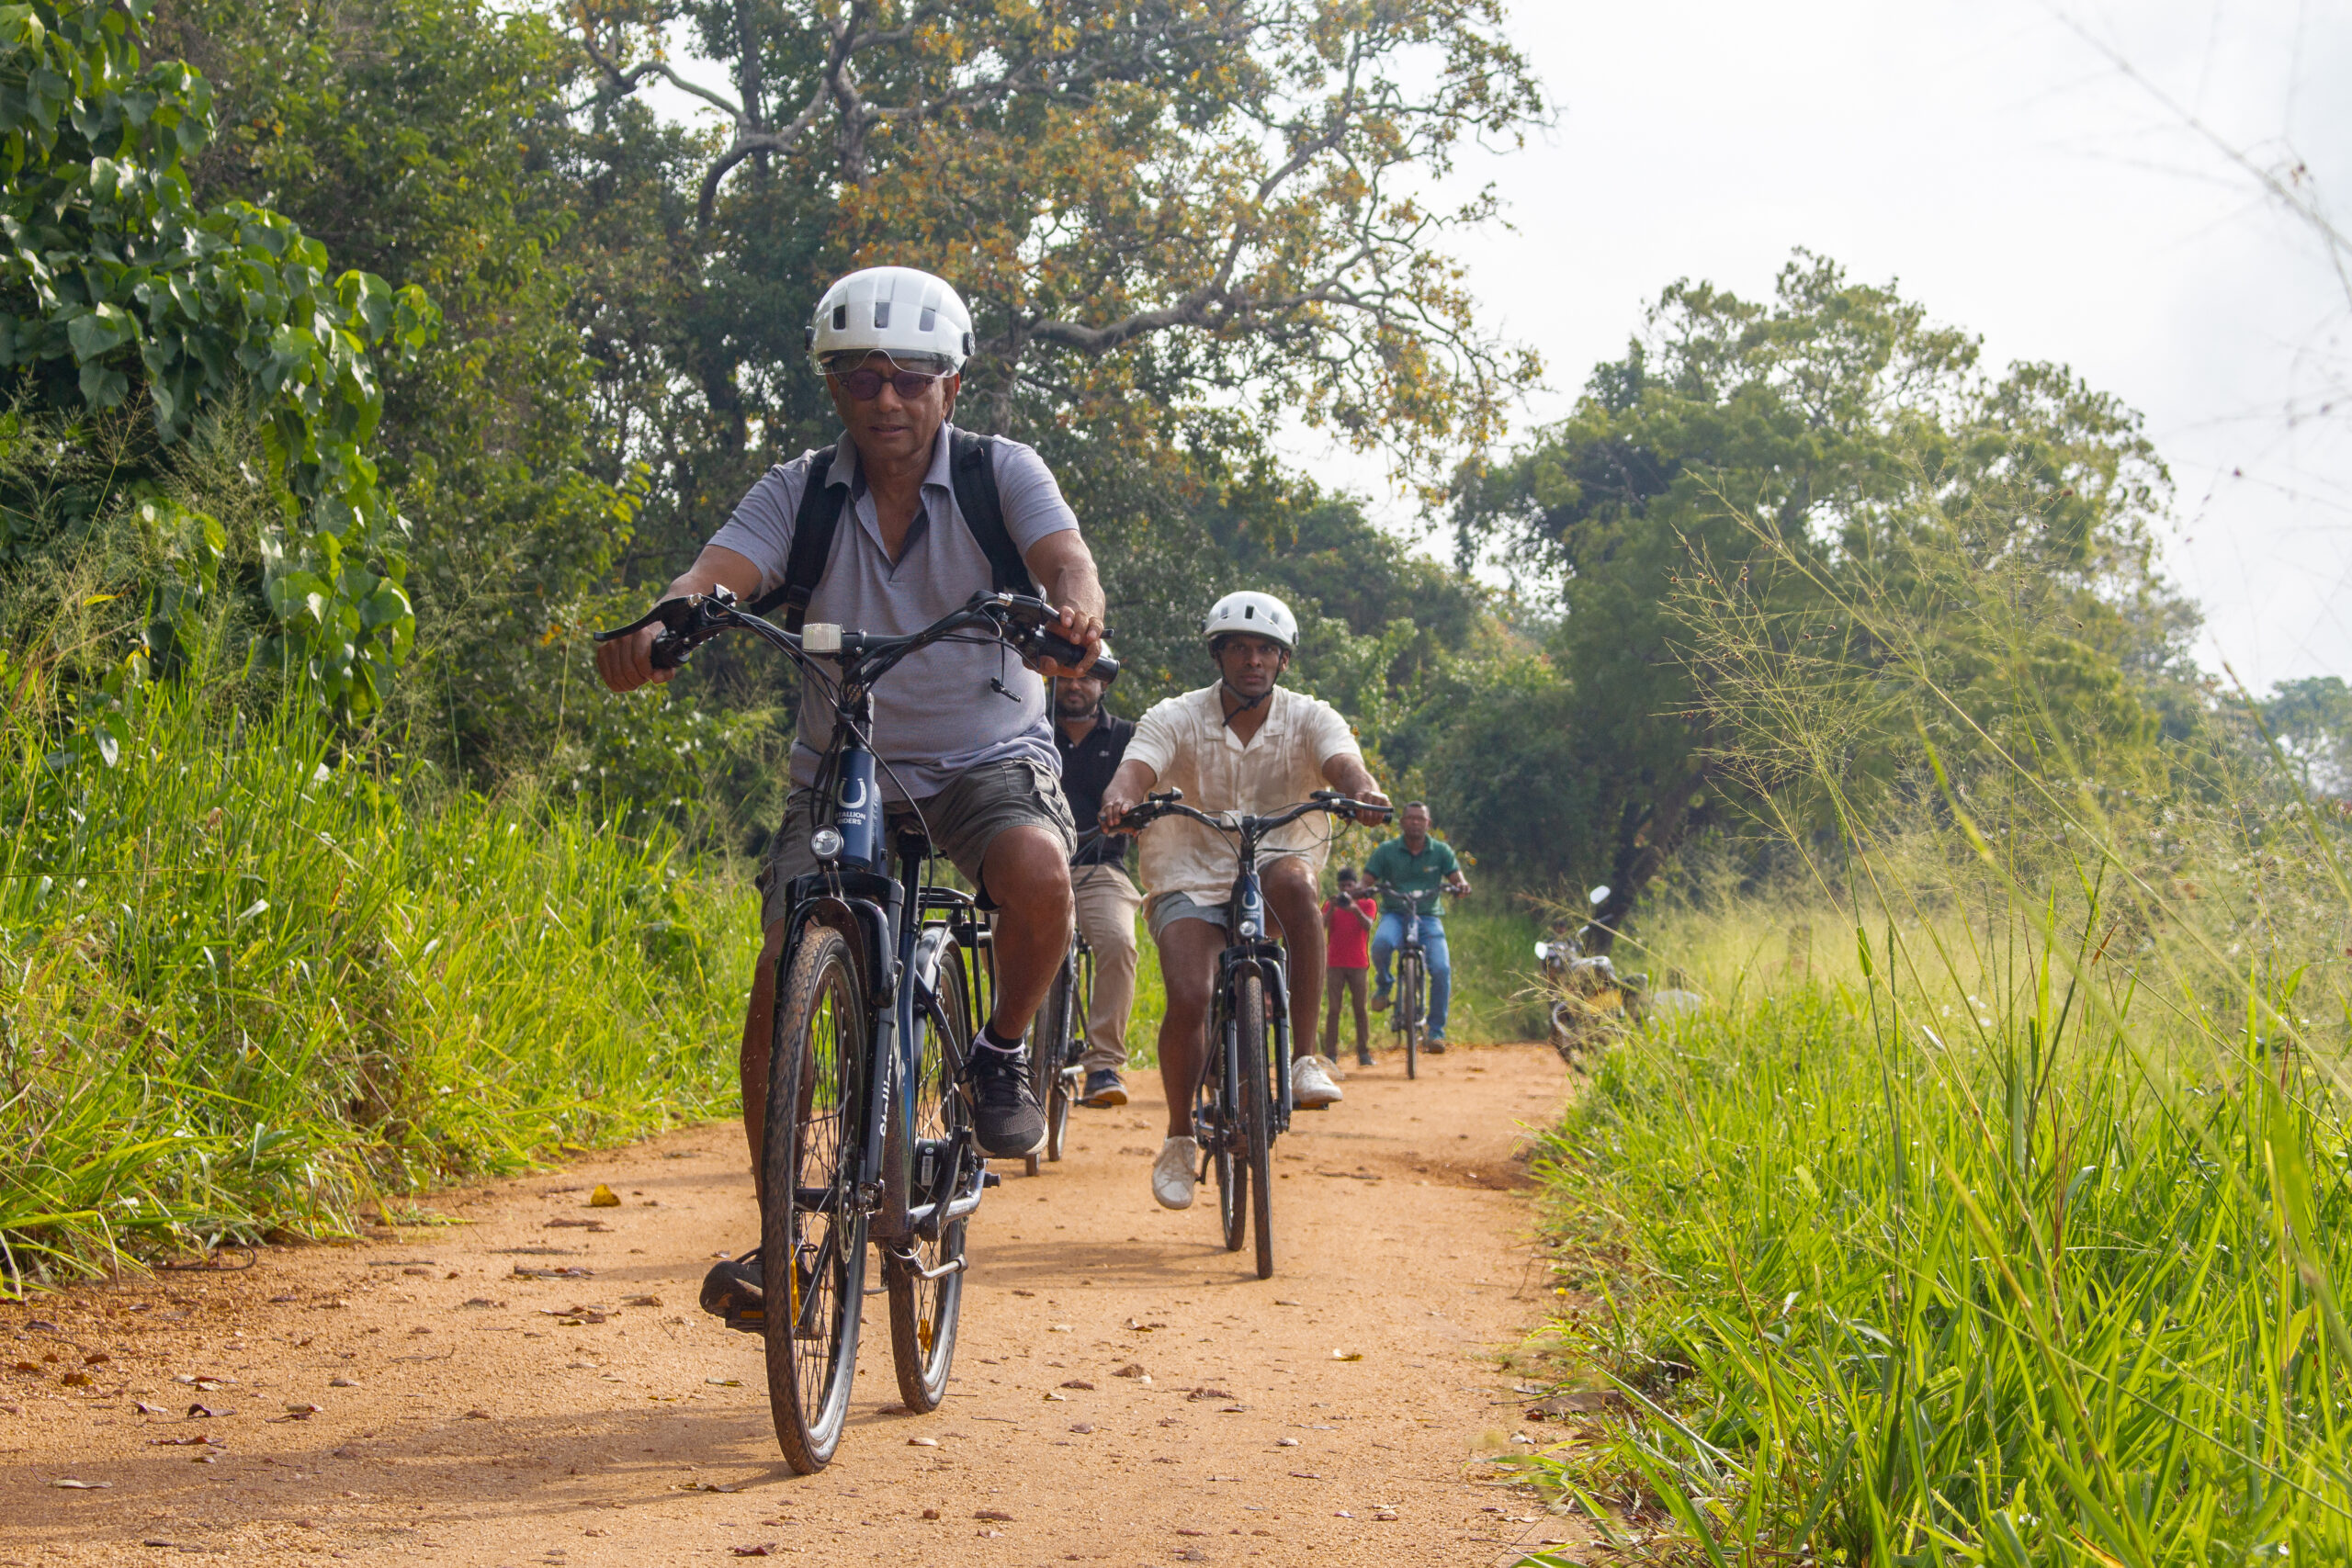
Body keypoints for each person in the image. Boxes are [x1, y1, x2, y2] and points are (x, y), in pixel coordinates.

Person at [594, 265, 1105, 1327]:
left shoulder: (999, 473)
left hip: (981, 759)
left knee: (1040, 872)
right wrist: (658, 632)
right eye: (863, 376)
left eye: (912, 376)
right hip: (844, 764)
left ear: (951, 386)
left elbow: (1066, 560)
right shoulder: (796, 492)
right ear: (834, 387)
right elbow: (712, 577)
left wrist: (1073, 616)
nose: (887, 397)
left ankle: (1003, 1052)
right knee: (784, 974)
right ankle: (785, 1243)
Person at [1096, 591, 1390, 1211]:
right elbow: (1137, 767)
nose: (1252, 660)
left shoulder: (1311, 716)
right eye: (1239, 648)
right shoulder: (1176, 714)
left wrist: (1364, 792)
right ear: (1218, 654)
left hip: (1278, 857)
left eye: (1265, 650)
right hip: (1188, 868)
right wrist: (1121, 799)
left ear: (1283, 661)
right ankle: (1179, 1135)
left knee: (1296, 886)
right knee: (1191, 994)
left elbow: (1345, 765)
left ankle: (1306, 1058)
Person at [1053, 652, 1144, 1108]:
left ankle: (1103, 1063)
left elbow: (1150, 791)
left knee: (1118, 943)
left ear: (1102, 685)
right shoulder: (1031, 727)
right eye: (1067, 674)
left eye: (1087, 676)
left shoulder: (1128, 737)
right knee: (992, 935)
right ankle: (1008, 1047)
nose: (1075, 684)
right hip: (1033, 866)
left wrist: (1136, 816)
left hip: (1101, 868)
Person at [1365, 802, 1472, 1051]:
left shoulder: (1441, 851)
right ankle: (1385, 984)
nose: (1415, 823)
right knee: (1381, 944)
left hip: (1428, 916)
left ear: (1428, 824)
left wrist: (1462, 887)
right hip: (1395, 913)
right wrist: (1363, 888)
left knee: (1442, 969)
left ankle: (1435, 1032)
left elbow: (1457, 878)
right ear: (1402, 823)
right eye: (1410, 818)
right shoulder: (1386, 851)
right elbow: (1367, 879)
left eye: (1420, 819)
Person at [1321, 868, 1379, 1067]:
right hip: (1335, 963)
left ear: (1356, 886)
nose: (1347, 889)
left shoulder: (1367, 903)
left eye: (1350, 885)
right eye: (1343, 886)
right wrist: (1331, 909)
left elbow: (1368, 925)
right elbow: (1321, 925)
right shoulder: (1331, 904)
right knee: (1334, 1009)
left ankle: (1364, 1053)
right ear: (1339, 888)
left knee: (1360, 1009)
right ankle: (1330, 1053)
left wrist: (1354, 908)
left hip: (1358, 964)